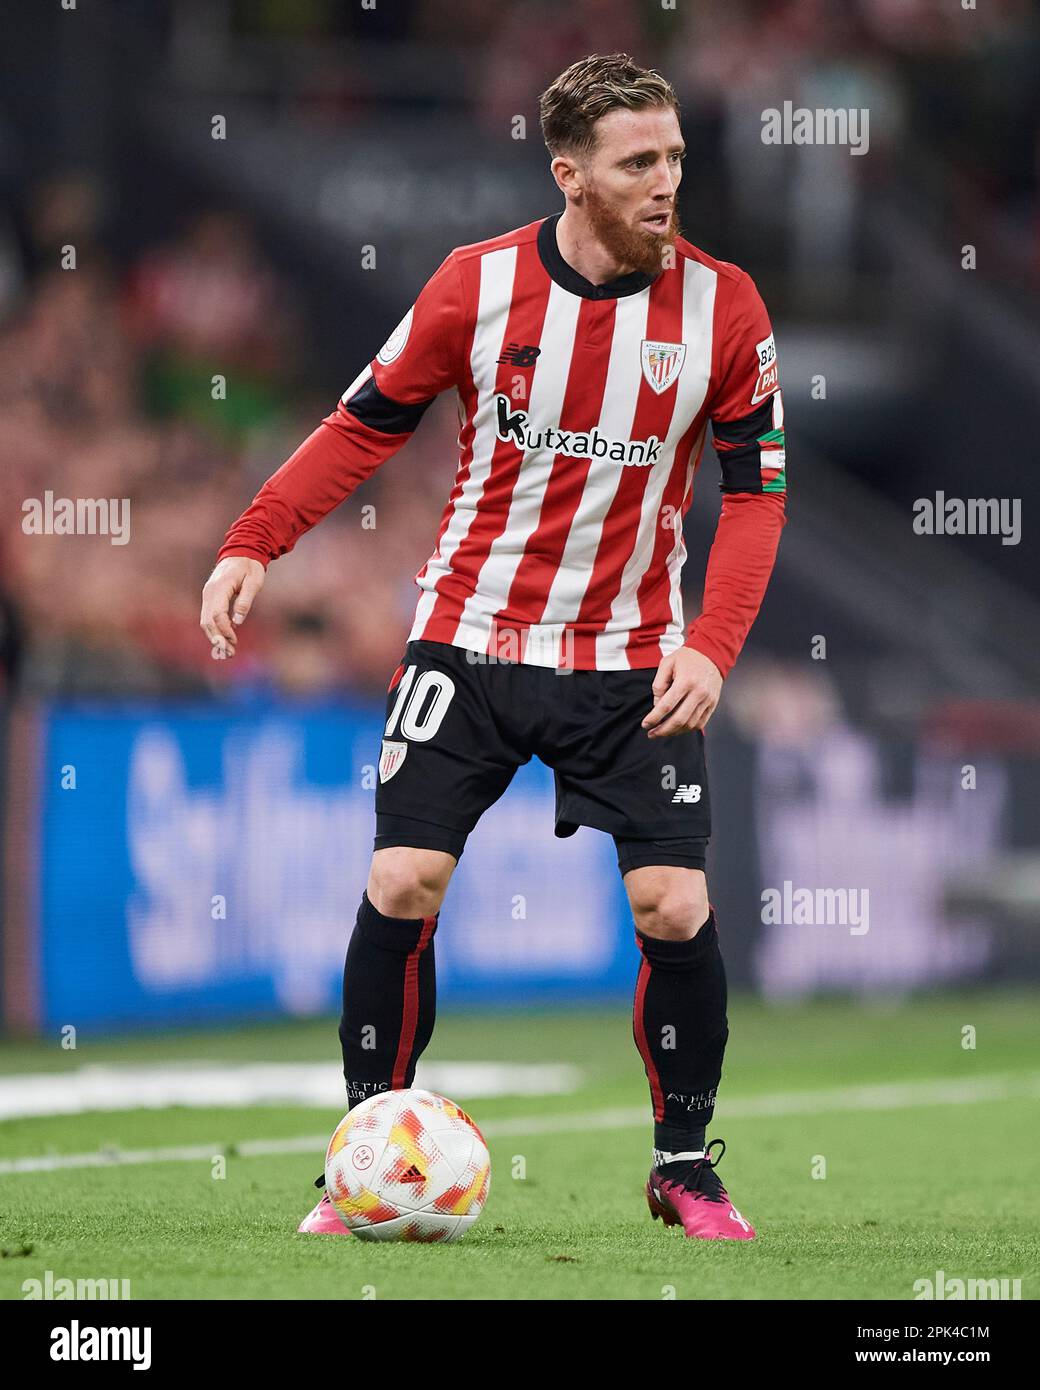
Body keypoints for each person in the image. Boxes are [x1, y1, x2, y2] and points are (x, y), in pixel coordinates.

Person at [200, 53, 787, 1241]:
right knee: (401, 882)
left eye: (672, 156)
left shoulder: (725, 308)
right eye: (638, 163)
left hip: (631, 656)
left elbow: (759, 493)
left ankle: (683, 1161)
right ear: (569, 176)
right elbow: (361, 425)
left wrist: (712, 646)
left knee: (673, 904)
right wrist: (255, 539)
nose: (666, 180)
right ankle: (364, 1152)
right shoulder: (475, 287)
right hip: (466, 637)